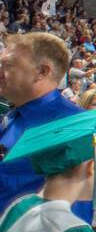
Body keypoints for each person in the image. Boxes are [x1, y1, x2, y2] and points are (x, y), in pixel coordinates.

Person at [0, 31, 82, 214]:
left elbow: (75, 217)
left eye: (8, 65)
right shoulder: (14, 115)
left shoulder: (74, 127)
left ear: (41, 72)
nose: (1, 71)